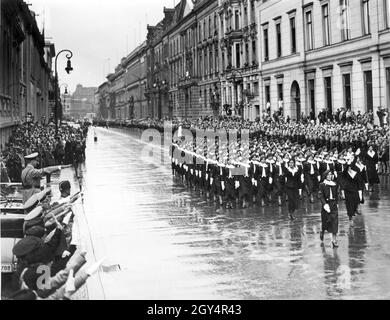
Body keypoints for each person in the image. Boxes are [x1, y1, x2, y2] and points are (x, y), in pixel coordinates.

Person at [319, 170, 340, 248]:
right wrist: (325, 204)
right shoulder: (322, 184)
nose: (329, 176)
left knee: (334, 222)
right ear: (325, 176)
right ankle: (322, 231)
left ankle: (334, 240)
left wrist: (337, 203)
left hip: (333, 204)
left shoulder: (334, 184)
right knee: (326, 222)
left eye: (331, 175)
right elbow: (321, 196)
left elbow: (337, 194)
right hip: (326, 205)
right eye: (328, 175)